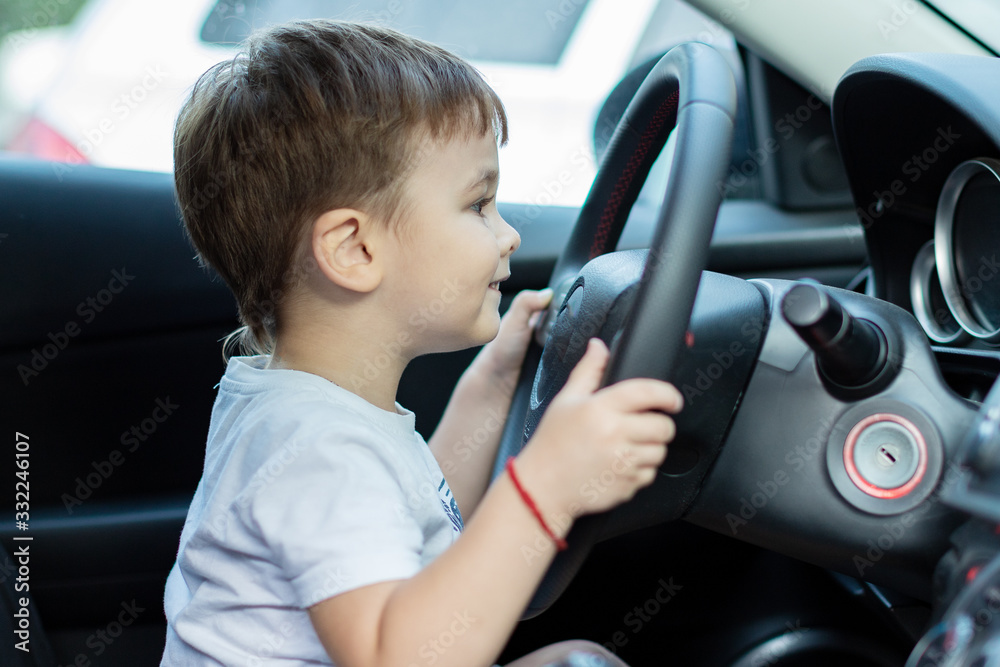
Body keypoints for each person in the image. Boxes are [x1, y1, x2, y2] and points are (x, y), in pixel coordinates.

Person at [162, 19, 682, 667]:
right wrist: (549, 481)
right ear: (354, 249)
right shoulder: (314, 449)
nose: (508, 233)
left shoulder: (308, 408)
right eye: (478, 204)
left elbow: (423, 521)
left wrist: (495, 381)